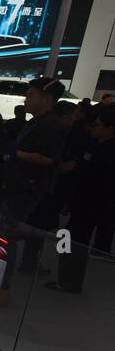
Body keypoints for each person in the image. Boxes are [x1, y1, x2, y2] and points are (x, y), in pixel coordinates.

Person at [1, 76, 68, 294]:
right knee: (5, 234)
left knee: (7, 236)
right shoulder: (34, 122)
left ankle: (3, 286)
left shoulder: (52, 125)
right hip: (17, 188)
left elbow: (48, 159)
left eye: (31, 95)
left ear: (46, 98)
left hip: (27, 191)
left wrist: (13, 153)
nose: (25, 100)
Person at [50, 105, 115, 292]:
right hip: (84, 204)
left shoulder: (107, 152)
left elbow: (96, 181)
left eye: (97, 125)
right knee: (72, 238)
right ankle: (67, 278)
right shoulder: (98, 147)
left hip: (90, 205)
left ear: (109, 129)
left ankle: (68, 281)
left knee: (72, 240)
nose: (93, 128)